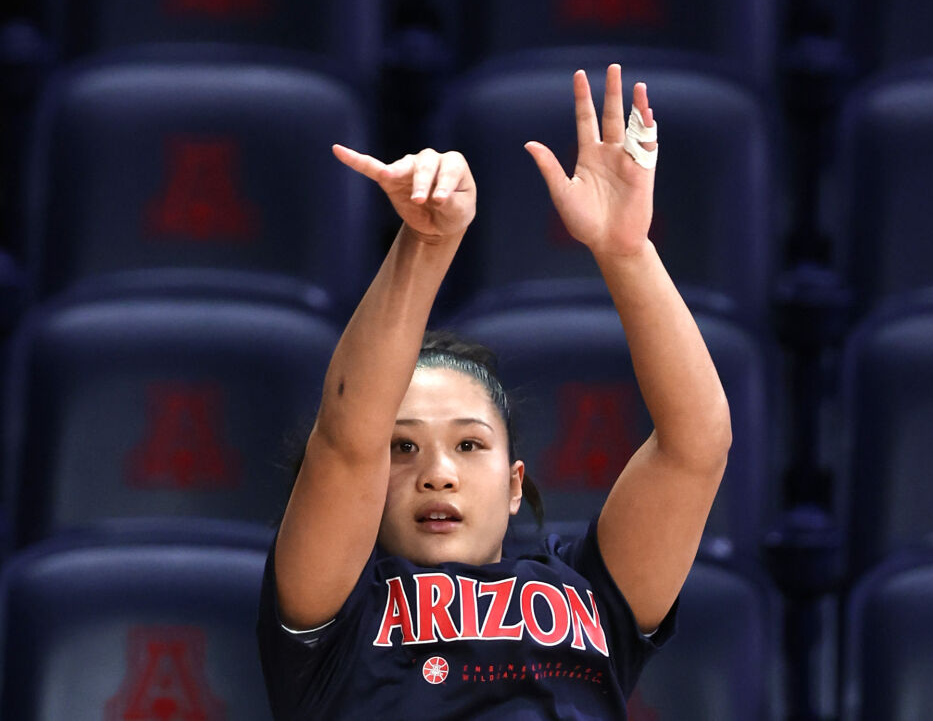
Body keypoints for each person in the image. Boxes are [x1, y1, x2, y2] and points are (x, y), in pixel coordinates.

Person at [257, 62, 731, 718]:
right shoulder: (332, 613)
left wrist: (627, 253)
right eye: (401, 447)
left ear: (514, 485)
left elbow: (696, 445)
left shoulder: (589, 591)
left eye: (469, 444)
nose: (438, 474)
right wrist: (426, 242)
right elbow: (345, 437)